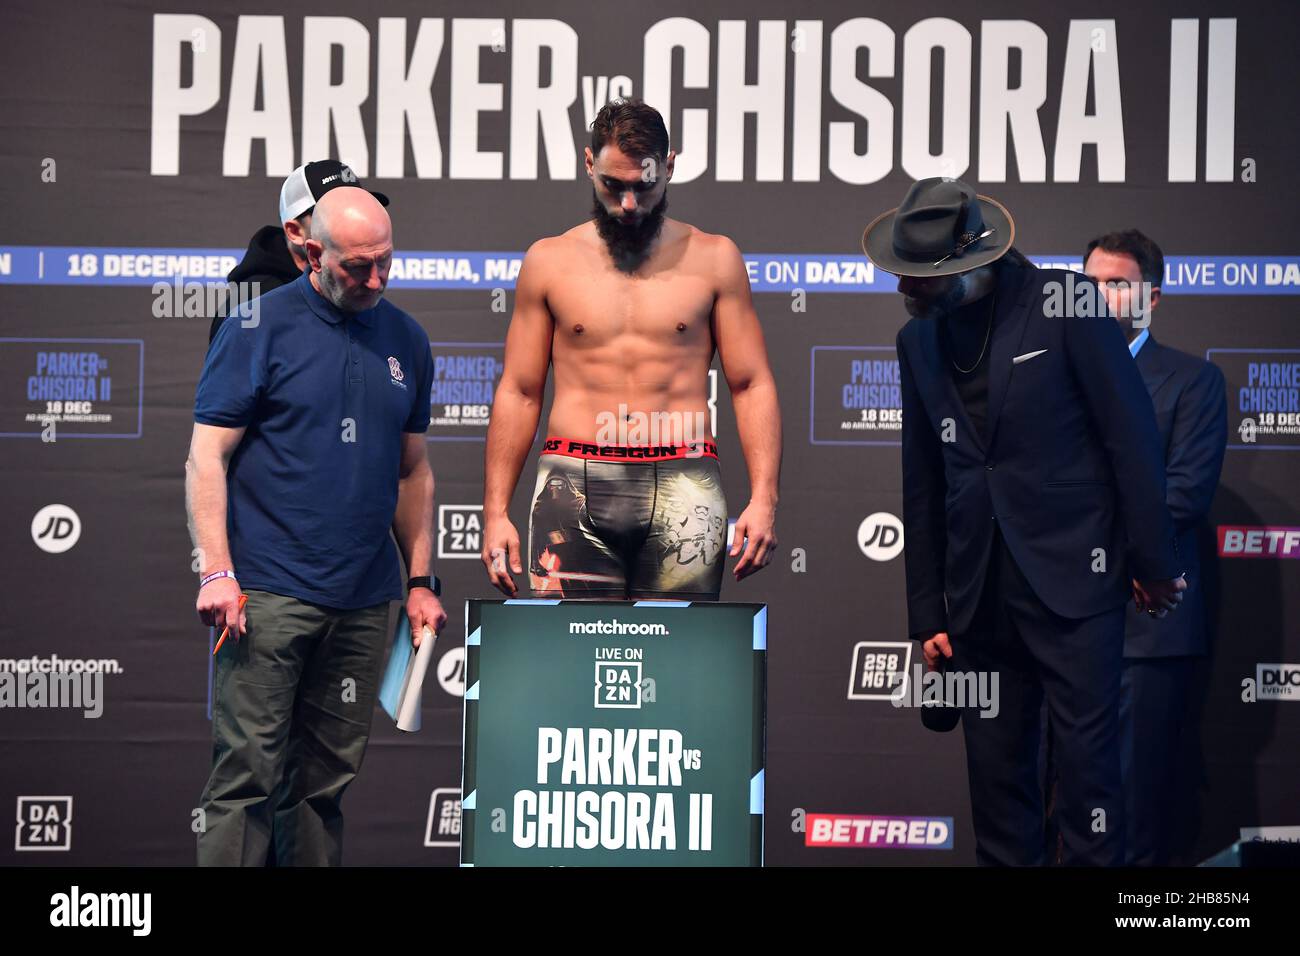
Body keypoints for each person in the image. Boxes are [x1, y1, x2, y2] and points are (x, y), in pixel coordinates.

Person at [863, 177, 1186, 865]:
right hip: (978, 602)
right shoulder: (915, 341)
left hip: (1075, 587)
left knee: (1090, 793)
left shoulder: (1066, 302)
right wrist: (928, 614)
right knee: (1000, 801)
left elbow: (1129, 438)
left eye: (924, 280)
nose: (907, 291)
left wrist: (1152, 563)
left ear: (974, 264)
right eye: (903, 277)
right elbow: (921, 481)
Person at [187, 186, 444, 866]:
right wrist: (218, 570)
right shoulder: (255, 326)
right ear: (309, 251)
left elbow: (411, 473)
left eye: (387, 261)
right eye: (358, 266)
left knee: (322, 792)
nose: (377, 279)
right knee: (245, 786)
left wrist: (420, 580)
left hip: (363, 603)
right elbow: (206, 455)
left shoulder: (407, 340)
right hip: (266, 597)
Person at [480, 98, 781, 601]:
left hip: (684, 486)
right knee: (572, 662)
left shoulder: (715, 259)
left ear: (669, 167)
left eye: (644, 187)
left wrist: (765, 498)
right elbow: (520, 390)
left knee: (677, 664)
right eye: (611, 185)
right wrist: (494, 512)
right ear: (588, 164)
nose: (627, 204)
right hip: (570, 483)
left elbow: (750, 384)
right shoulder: (548, 262)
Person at [1081, 229, 1227, 865]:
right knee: (1059, 808)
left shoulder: (1193, 382)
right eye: (1088, 285)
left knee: (1134, 813)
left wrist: (1085, 549)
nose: (1100, 297)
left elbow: (1183, 495)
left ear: (1153, 297)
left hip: (1145, 625)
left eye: (1117, 284)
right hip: (1059, 628)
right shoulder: (1050, 377)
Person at [207, 160, 389, 346]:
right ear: (295, 231)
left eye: (356, 208)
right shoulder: (250, 308)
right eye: (331, 212)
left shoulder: (361, 285)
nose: (351, 219)